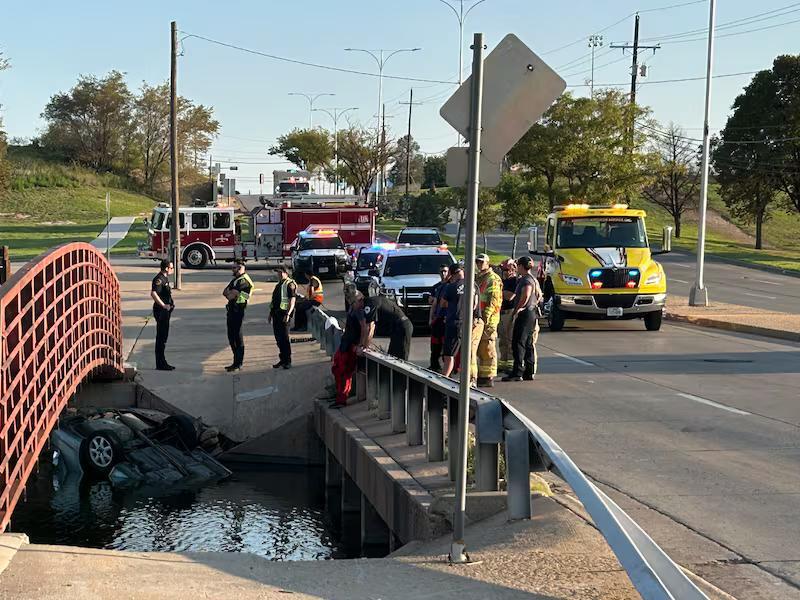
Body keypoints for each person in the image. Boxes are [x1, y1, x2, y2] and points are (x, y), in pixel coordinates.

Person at [502, 256, 543, 382]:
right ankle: (529, 372)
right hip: (532, 313)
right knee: (528, 343)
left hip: (525, 314)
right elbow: (539, 295)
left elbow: (526, 294)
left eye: (517, 265)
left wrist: (517, 309)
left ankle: (517, 371)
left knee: (518, 343)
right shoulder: (533, 279)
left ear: (521, 266)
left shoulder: (525, 280)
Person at [441, 263, 483, 383]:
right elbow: (475, 305)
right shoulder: (473, 285)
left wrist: (455, 304)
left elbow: (443, 303)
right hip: (472, 322)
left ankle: (444, 379)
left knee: (449, 354)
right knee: (469, 352)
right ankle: (470, 380)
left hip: (455, 322)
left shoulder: (451, 287)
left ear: (452, 274)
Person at [331, 291, 366, 408]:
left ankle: (342, 399)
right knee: (337, 370)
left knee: (345, 373)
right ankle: (338, 397)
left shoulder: (360, 312)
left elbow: (364, 328)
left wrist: (360, 345)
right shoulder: (352, 308)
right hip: (344, 344)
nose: (352, 303)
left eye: (354, 301)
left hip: (351, 347)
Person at [475, 254, 503, 388]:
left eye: (482, 262)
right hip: (479, 318)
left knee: (488, 348)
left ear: (488, 263)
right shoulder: (479, 277)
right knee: (480, 349)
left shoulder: (493, 279)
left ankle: (488, 377)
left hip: (489, 320)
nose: (479, 264)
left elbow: (493, 301)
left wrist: (485, 318)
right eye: (477, 262)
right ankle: (482, 375)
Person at [222, 259, 254, 372]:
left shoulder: (244, 281)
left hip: (238, 311)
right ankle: (235, 362)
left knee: (237, 338)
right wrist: (231, 293)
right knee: (231, 337)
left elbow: (230, 295)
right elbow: (225, 292)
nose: (232, 269)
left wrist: (232, 293)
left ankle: (238, 363)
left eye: (234, 268)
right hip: (232, 310)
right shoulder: (236, 280)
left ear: (240, 268)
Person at [362, 293, 414, 361]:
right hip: (397, 327)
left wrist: (364, 347)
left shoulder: (370, 304)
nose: (352, 306)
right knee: (392, 357)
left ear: (359, 300)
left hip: (402, 326)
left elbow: (370, 327)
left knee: (400, 361)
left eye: (353, 303)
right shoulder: (373, 300)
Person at [268, 266, 297, 369]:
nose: (279, 274)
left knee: (284, 338)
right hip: (276, 314)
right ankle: (282, 359)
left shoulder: (290, 284)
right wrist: (270, 314)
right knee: (278, 338)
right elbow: (274, 300)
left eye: (281, 272)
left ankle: (287, 361)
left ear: (286, 273)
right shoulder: (279, 284)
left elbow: (292, 300)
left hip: (284, 315)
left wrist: (288, 314)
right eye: (278, 273)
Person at [150, 259, 175, 371]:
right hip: (161, 312)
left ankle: (162, 361)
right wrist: (164, 305)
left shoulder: (165, 278)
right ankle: (160, 363)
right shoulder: (159, 279)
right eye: (171, 267)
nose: (172, 269)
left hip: (165, 312)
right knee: (161, 337)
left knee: (163, 337)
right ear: (166, 268)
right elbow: (154, 293)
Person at [428, 264, 450, 371]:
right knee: (435, 344)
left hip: (447, 319)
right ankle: (434, 365)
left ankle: (448, 368)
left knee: (446, 345)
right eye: (441, 271)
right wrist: (431, 318)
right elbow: (432, 302)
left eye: (445, 271)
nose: (443, 274)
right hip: (437, 319)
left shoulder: (451, 286)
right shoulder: (436, 287)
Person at [497, 258, 518, 366]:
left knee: (510, 339)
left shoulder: (514, 281)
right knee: (502, 340)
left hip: (510, 313)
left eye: (506, 269)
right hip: (501, 312)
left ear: (513, 270)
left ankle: (511, 362)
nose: (504, 272)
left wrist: (499, 291)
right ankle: (503, 361)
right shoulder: (503, 282)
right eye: (503, 269)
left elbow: (509, 297)